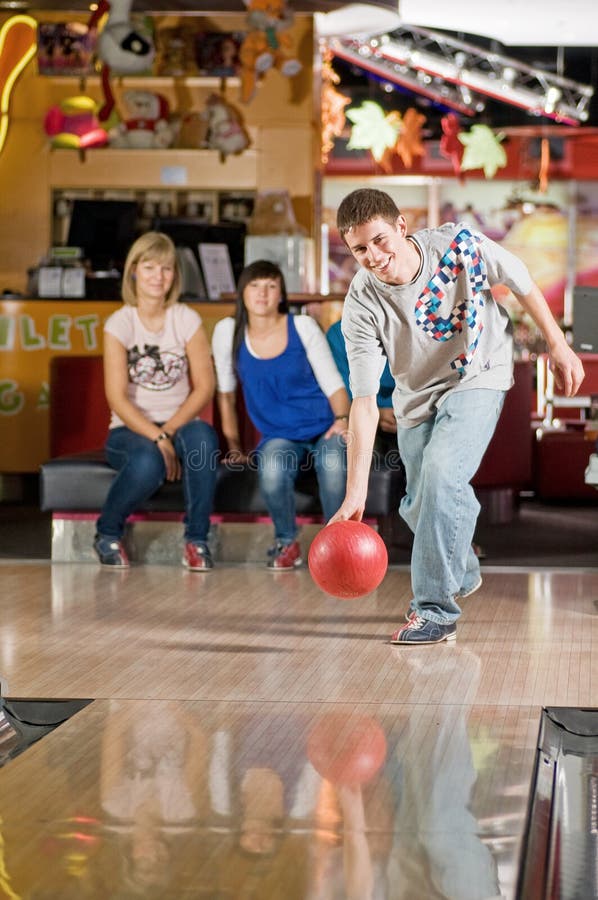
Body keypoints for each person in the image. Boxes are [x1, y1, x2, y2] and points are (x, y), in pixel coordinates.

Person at [330, 188, 585, 645]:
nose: (375, 256)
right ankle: (460, 567)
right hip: (416, 396)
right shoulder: (362, 305)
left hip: (479, 372)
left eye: (381, 240)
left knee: (444, 475)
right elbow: (365, 401)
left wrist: (559, 345)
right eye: (360, 249)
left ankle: (434, 611)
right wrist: (356, 494)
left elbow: (521, 278)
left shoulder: (457, 245)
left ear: (402, 227)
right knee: (420, 503)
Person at [211, 259, 350, 570]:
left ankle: (337, 546)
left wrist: (342, 421)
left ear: (281, 294)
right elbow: (226, 394)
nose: (263, 293)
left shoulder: (301, 326)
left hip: (324, 427)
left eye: (271, 286)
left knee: (332, 463)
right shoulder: (227, 331)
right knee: (272, 470)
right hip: (279, 436)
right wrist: (234, 446)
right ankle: (287, 542)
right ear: (242, 293)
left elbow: (334, 385)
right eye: (255, 285)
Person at [94, 231, 219, 571]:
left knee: (203, 440)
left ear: (175, 275)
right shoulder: (120, 323)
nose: (158, 276)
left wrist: (169, 432)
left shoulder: (186, 318)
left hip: (179, 424)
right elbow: (117, 398)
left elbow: (204, 387)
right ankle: (106, 532)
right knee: (149, 461)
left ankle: (196, 541)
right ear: (134, 270)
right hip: (129, 430)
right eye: (149, 267)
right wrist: (157, 436)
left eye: (166, 269)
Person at [326, 317, 397, 456]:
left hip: (411, 415)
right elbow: (343, 390)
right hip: (361, 417)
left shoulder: (409, 327)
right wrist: (379, 413)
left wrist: (405, 413)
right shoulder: (338, 332)